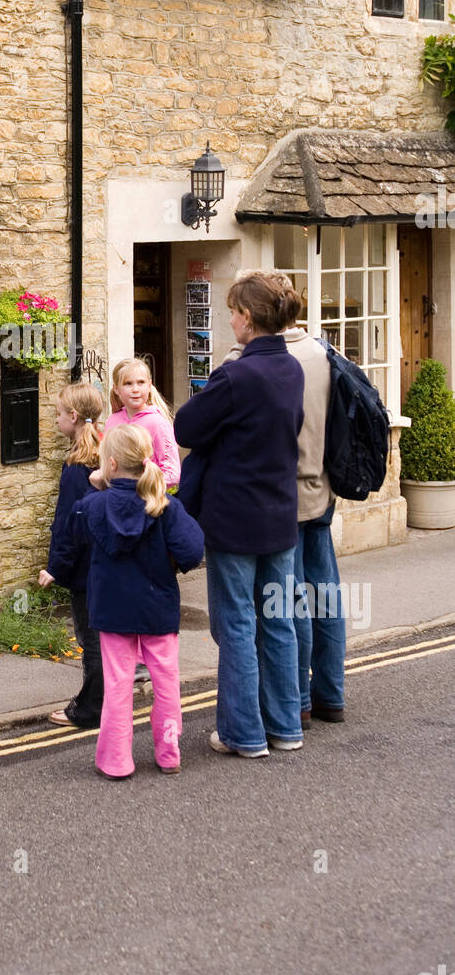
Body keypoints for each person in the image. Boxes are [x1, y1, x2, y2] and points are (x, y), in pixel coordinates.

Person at [173, 271, 305, 758]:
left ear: (247, 318)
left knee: (235, 625)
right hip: (280, 516)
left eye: (232, 312)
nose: (229, 319)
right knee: (277, 622)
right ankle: (285, 727)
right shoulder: (292, 368)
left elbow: (186, 426)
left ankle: (243, 734)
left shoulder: (237, 373)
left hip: (234, 519)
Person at [221, 273, 346, 726]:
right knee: (324, 596)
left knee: (285, 606)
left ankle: (296, 703)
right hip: (322, 488)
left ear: (255, 312)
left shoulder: (250, 360)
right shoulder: (321, 351)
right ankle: (330, 694)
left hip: (280, 498)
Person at [66, 424, 204, 778]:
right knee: (166, 681)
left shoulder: (92, 506)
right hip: (157, 606)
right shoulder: (164, 505)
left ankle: (116, 760)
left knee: (117, 686)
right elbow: (192, 552)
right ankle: (169, 754)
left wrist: (95, 489)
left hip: (111, 610)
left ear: (110, 464)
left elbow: (73, 535)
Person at [39, 382, 106, 728]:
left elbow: (70, 524)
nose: (55, 420)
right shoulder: (104, 455)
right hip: (107, 565)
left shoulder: (75, 467)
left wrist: (55, 567)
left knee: (91, 638)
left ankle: (91, 708)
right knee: (106, 637)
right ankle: (106, 701)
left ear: (74, 416)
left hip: (85, 571)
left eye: (58, 414)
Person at [103, 358, 181, 487]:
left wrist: (138, 487)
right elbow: (106, 464)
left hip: (146, 499)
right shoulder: (112, 421)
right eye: (128, 383)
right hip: (115, 497)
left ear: (149, 386)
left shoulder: (157, 423)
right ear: (116, 389)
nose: (135, 389)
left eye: (141, 382)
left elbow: (172, 473)